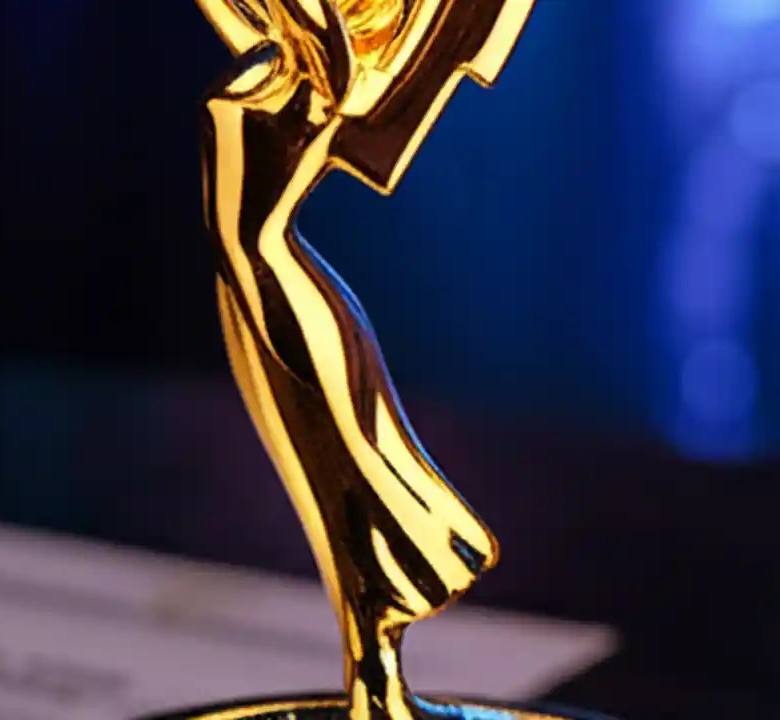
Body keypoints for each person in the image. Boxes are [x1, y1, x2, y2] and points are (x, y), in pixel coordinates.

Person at [196, 2, 535, 718]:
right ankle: (371, 643)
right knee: (294, 417)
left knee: (272, 293)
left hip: (276, 281)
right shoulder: (271, 56)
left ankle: (380, 615)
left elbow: (338, 60)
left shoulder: (308, 68)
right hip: (256, 298)